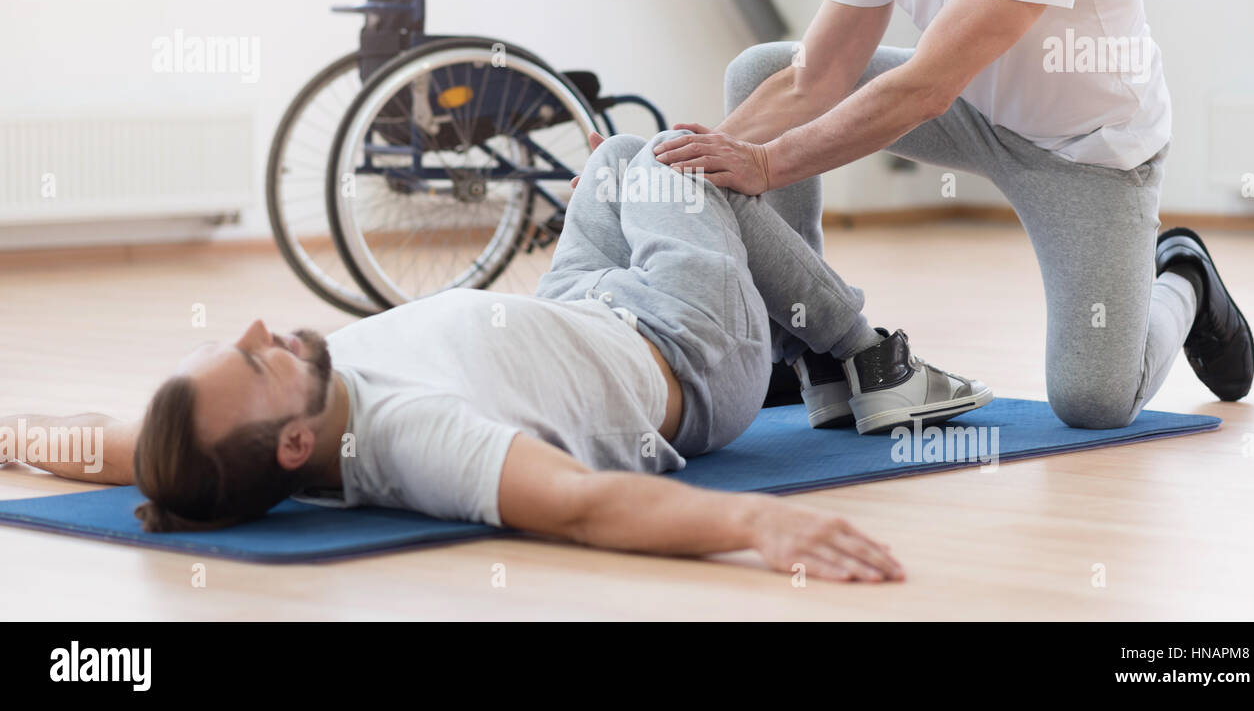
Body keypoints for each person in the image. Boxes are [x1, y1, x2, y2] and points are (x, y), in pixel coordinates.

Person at [0, 130, 998, 583]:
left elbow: (102, 443)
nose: (264, 334)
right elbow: (580, 505)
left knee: (614, 162)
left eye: (238, 342)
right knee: (666, 158)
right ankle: (867, 361)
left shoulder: (216, 444)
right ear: (297, 443)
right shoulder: (412, 440)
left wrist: (11, 434)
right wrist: (755, 528)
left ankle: (823, 354)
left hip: (577, 308)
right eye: (259, 364)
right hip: (688, 356)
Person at [649, 0, 1254, 429]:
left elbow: (926, 87)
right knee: (763, 69)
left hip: (1087, 153)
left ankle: (1183, 277)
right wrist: (674, 162)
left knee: (1095, 399)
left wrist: (762, 164)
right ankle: (808, 352)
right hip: (974, 107)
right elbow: (815, 78)